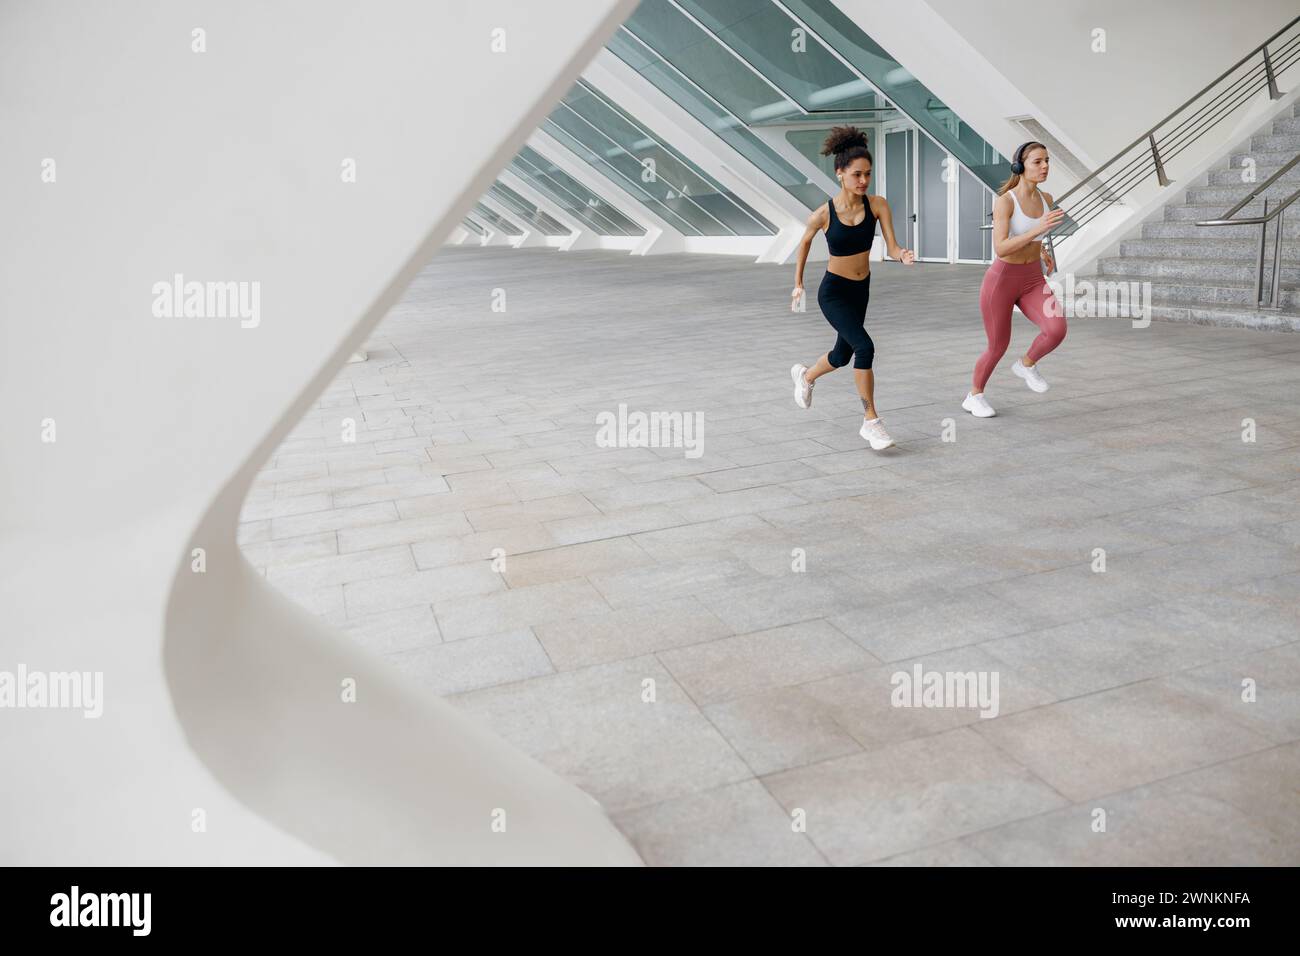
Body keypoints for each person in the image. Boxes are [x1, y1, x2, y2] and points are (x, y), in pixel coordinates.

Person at [789, 126, 915, 450]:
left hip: (861, 290)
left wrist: (902, 255)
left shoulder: (877, 206)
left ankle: (806, 376)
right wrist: (798, 283)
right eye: (857, 174)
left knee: (842, 355)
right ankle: (871, 421)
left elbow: (892, 246)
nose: (863, 181)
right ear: (840, 173)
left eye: (868, 175)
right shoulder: (824, 214)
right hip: (833, 292)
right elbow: (804, 243)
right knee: (865, 347)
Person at [962, 141, 1067, 418]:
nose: (1045, 166)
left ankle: (1027, 364)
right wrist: (1039, 230)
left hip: (1033, 278)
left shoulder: (1047, 198)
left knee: (1056, 329)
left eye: (1047, 161)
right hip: (1002, 280)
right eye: (1037, 162)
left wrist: (1042, 250)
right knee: (998, 346)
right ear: (1020, 167)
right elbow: (1001, 247)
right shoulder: (1005, 201)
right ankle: (974, 395)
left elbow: (1032, 233)